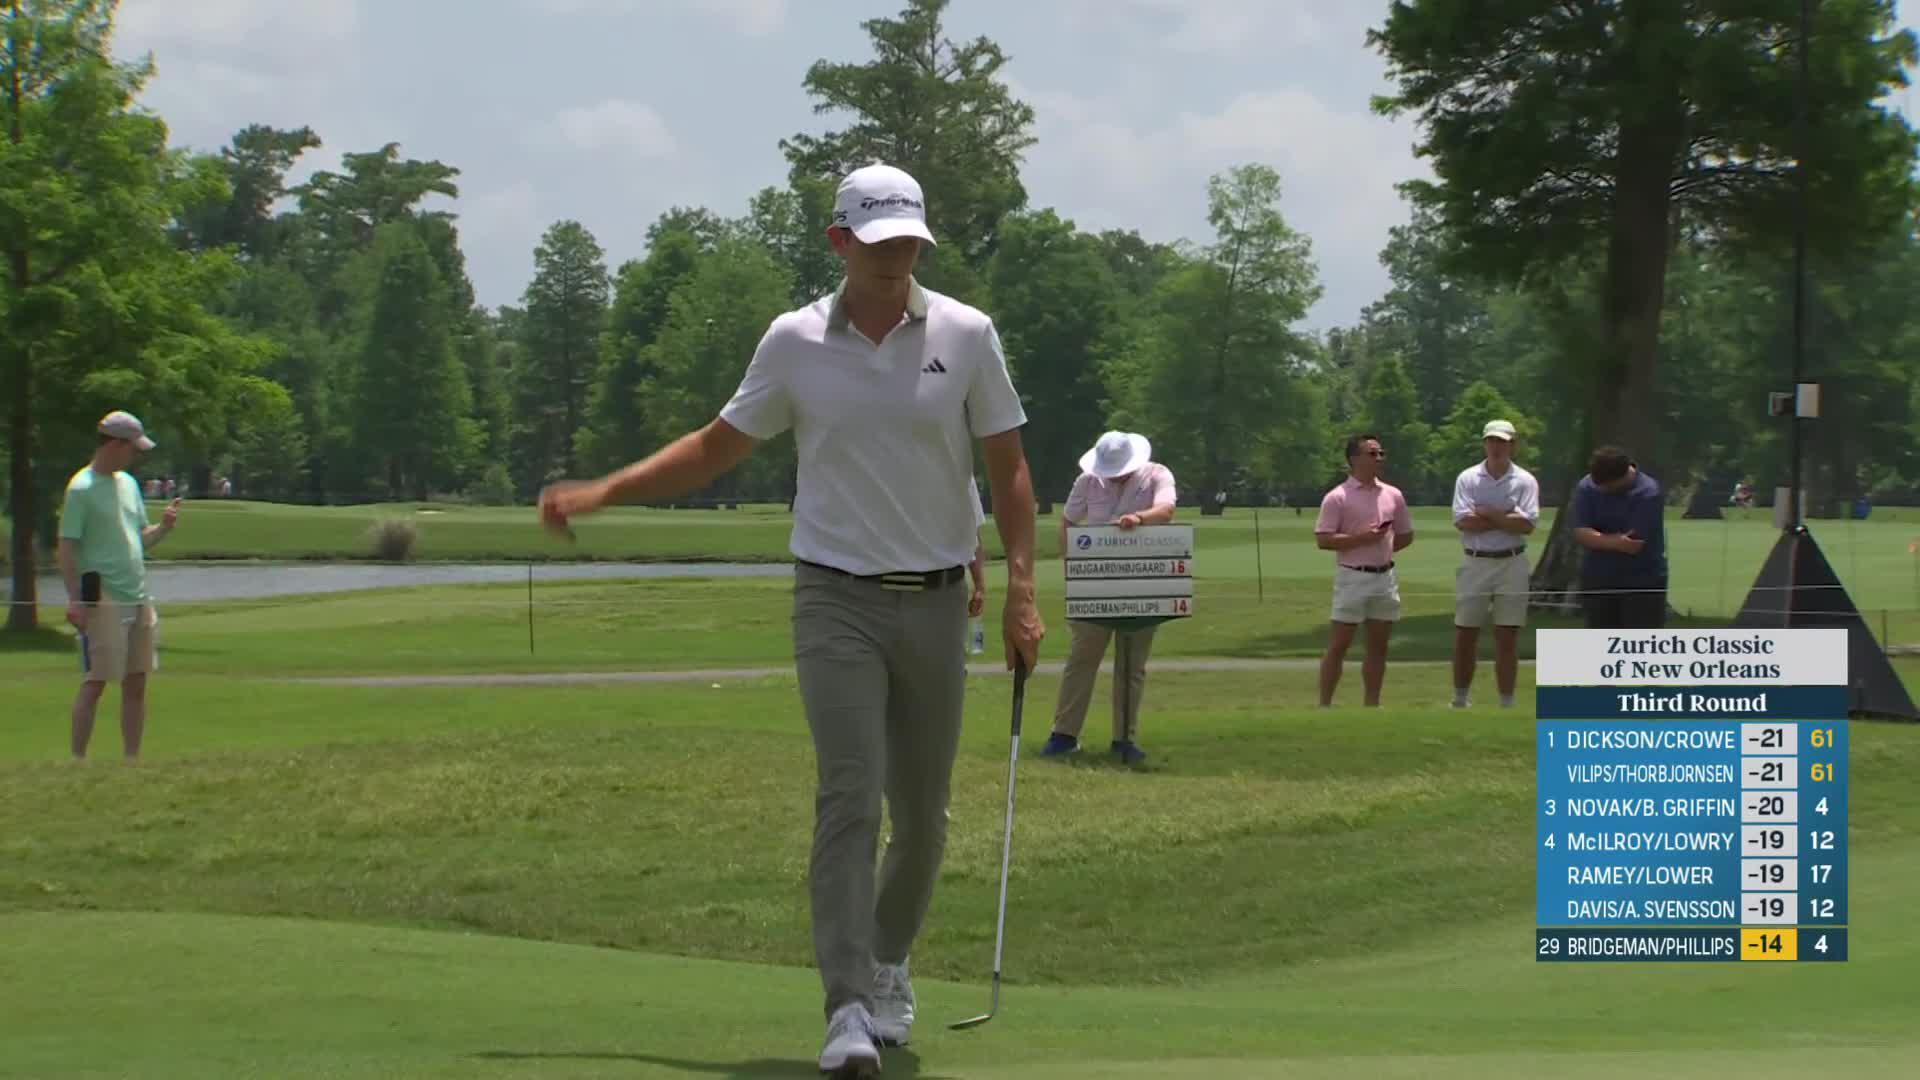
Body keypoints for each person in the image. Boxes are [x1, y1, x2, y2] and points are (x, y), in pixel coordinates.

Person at [536, 162, 1045, 1078]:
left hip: (935, 601)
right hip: (834, 597)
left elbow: (1007, 468)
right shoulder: (795, 341)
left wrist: (1021, 588)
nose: (898, 259)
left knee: (923, 820)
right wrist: (606, 490)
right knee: (849, 795)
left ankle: (886, 961)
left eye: (910, 244)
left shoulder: (966, 334)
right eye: (881, 243)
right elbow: (717, 445)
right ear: (840, 242)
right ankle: (847, 1006)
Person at [1044, 430, 1176, 764]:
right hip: (1093, 580)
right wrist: (1069, 563)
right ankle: (1064, 735)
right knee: (1081, 658)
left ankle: (1124, 740)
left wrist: (1138, 518)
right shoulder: (1087, 481)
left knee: (1131, 664)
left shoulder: (1158, 474)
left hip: (1142, 581)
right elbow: (1068, 521)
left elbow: (1166, 510)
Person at [58, 410, 180, 760]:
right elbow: (67, 547)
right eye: (133, 448)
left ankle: (132, 760)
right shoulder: (80, 489)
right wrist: (75, 599)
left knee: (137, 680)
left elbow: (139, 538)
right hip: (102, 594)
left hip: (137, 592)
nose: (136, 455)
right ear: (114, 444)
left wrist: (164, 528)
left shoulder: (128, 484)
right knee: (96, 681)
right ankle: (78, 761)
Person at [1314, 433, 1414, 707]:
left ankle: (1372, 704)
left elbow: (1405, 535)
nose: (1379, 458)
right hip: (1352, 576)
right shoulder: (1337, 497)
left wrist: (1381, 550)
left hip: (1385, 577)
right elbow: (1324, 539)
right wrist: (1362, 540)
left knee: (1379, 646)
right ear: (1354, 459)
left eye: (1381, 453)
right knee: (1340, 644)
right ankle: (1325, 705)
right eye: (1372, 454)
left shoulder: (1393, 494)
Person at [1449, 420, 1540, 709]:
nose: (1496, 447)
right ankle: (1460, 699)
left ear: (1513, 444)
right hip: (1475, 562)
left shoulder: (1525, 480)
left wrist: (1487, 513)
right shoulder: (1468, 478)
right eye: (1491, 441)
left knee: (1507, 635)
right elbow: (1464, 521)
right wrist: (1505, 518)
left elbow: (1526, 524)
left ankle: (1506, 702)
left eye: (1502, 441)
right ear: (1484, 443)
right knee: (1465, 632)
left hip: (1511, 562)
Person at [1569, 445, 1669, 628]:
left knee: (1639, 648)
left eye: (1607, 487)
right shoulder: (1588, 486)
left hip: (1642, 583)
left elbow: (1632, 544)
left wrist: (1598, 538)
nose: (1602, 490)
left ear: (1623, 476)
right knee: (1599, 647)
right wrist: (1614, 541)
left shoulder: (1648, 493)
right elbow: (1581, 533)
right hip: (1598, 580)